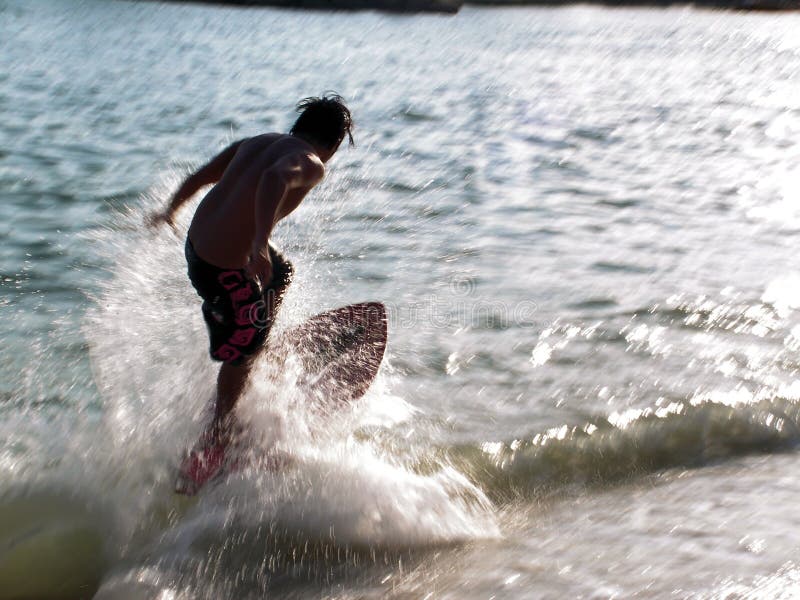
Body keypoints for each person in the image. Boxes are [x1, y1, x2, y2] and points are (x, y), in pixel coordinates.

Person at [149, 94, 354, 487]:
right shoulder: (311, 164)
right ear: (333, 145)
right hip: (222, 267)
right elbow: (274, 179)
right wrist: (259, 242)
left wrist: (170, 209)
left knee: (282, 272)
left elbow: (202, 175)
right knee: (244, 350)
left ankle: (257, 338)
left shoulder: (257, 142)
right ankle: (216, 436)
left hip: (197, 246)